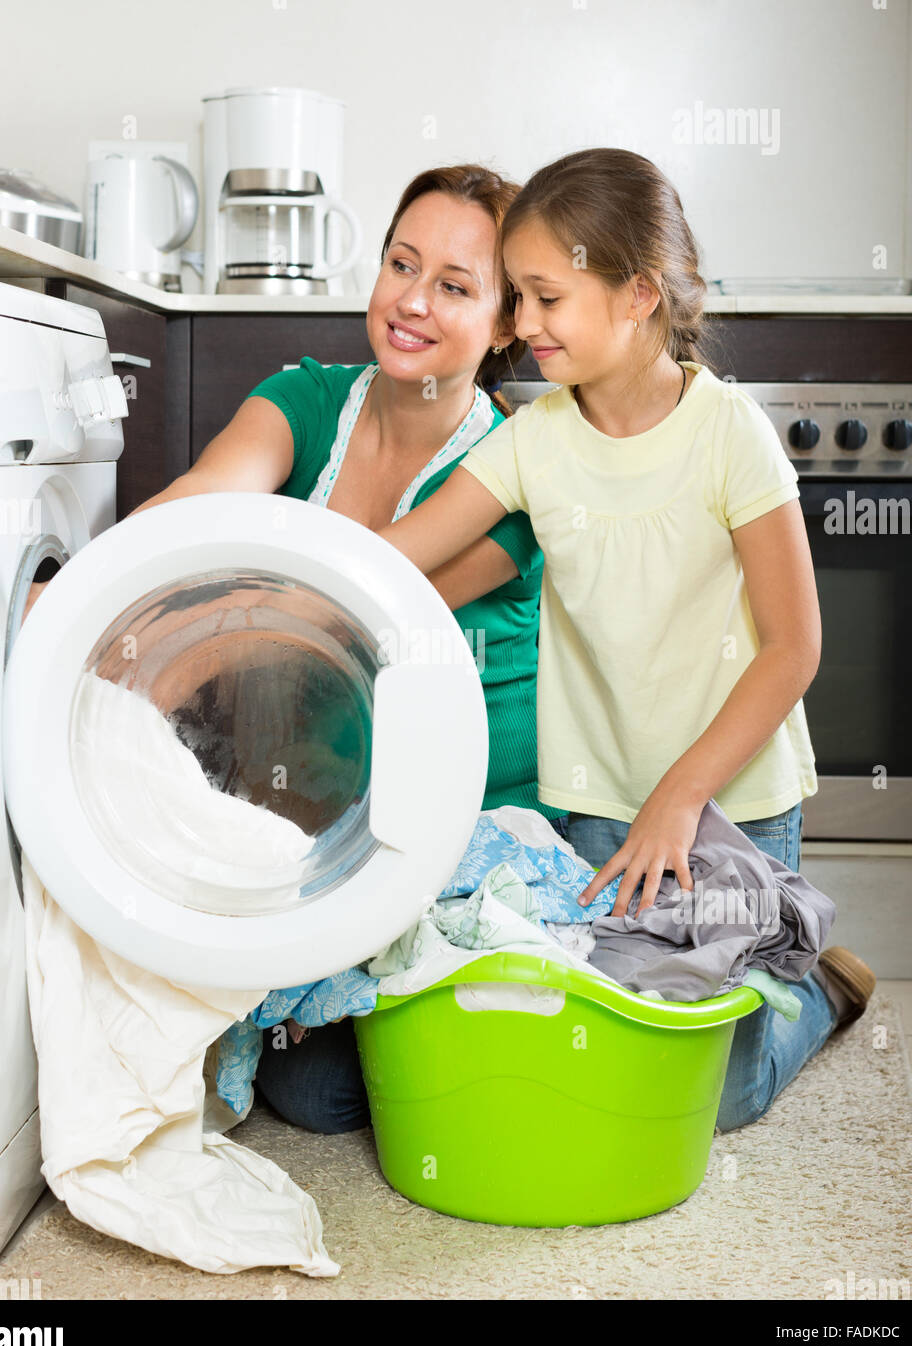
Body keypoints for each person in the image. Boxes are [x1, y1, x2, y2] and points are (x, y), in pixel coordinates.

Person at [375, 148, 875, 1133]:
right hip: (601, 806)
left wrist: (680, 799)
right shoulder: (533, 439)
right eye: (517, 297)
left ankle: (821, 989)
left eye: (546, 298)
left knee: (719, 1099)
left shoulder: (729, 433)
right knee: (606, 1044)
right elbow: (397, 559)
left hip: (731, 801)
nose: (521, 328)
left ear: (640, 293)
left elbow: (791, 648)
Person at [122, 164, 565, 1131]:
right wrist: (89, 592)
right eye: (401, 264)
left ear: (503, 325)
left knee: (340, 1092)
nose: (411, 301)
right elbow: (198, 504)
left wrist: (160, 644)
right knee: (300, 1080)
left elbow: (342, 621)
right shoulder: (307, 399)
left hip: (463, 831)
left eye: (455, 284)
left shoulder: (510, 475)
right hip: (322, 822)